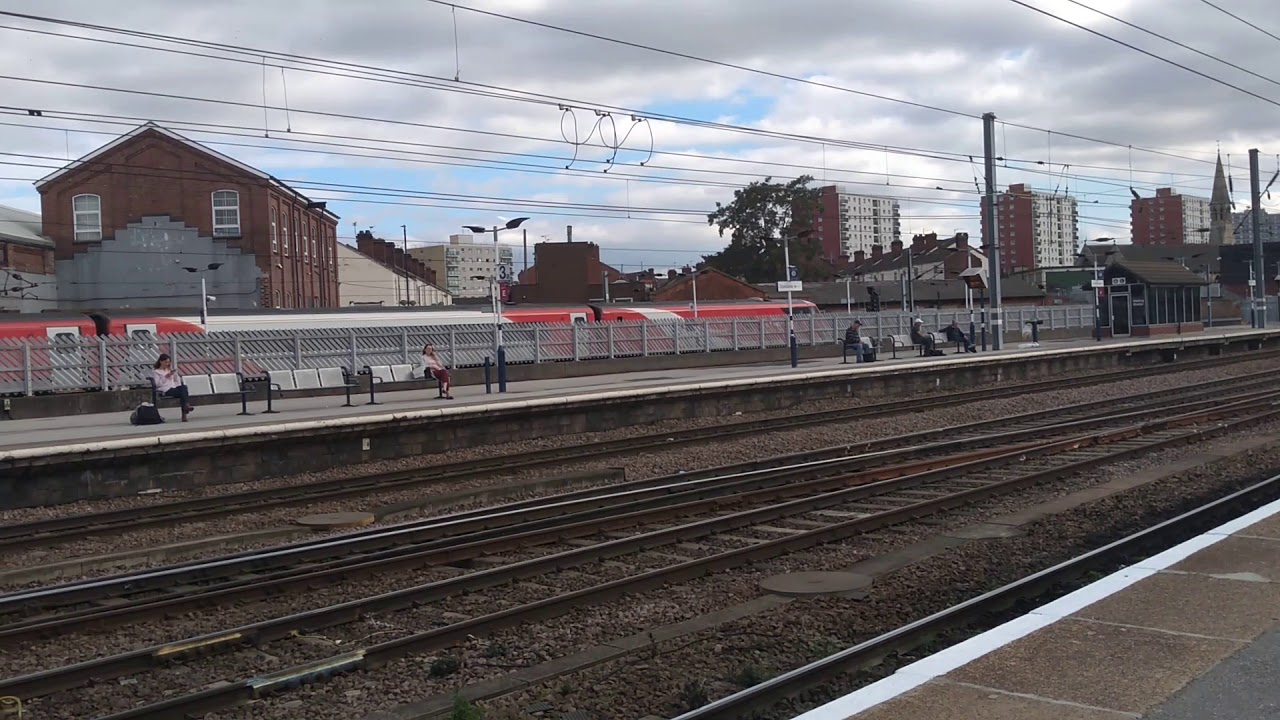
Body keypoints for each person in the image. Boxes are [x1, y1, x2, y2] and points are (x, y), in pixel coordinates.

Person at [152, 353, 193, 421]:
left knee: (184, 387)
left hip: (173, 388)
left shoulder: (169, 370)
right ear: (161, 361)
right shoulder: (156, 372)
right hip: (165, 389)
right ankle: (184, 413)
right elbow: (157, 384)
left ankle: (186, 407)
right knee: (183, 393)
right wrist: (165, 377)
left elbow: (177, 381)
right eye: (165, 362)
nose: (167, 364)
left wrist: (173, 373)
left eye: (168, 362)